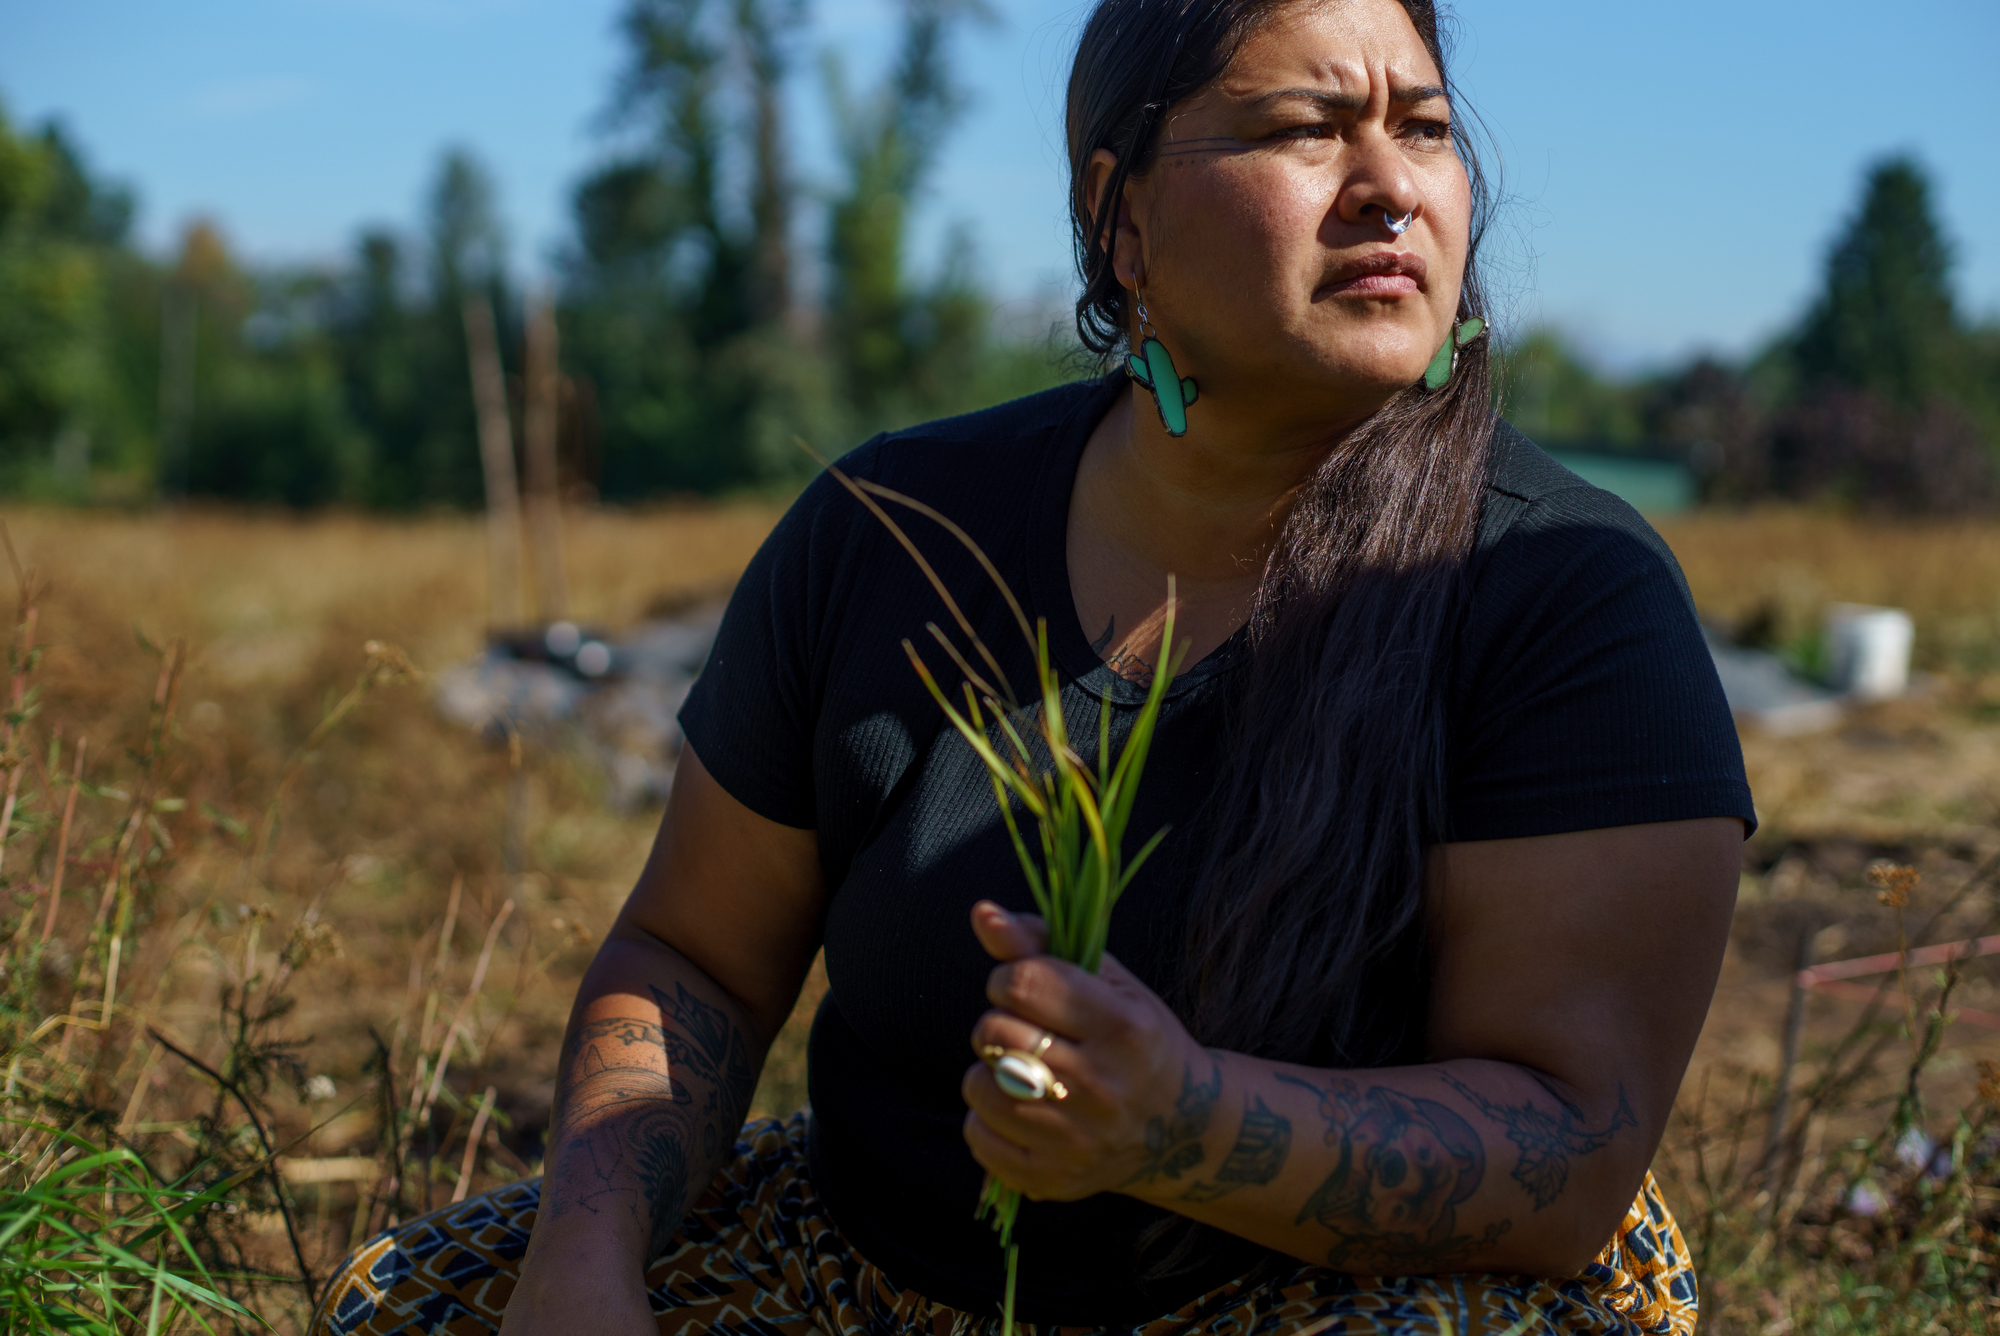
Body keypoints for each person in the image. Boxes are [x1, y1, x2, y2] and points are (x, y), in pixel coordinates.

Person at [313, 0, 1752, 1330]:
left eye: (1425, 127)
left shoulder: (1558, 591)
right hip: (878, 1272)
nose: (1392, 183)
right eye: (1307, 128)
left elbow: (1567, 1153)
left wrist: (1181, 1124)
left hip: (1352, 1292)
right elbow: (692, 955)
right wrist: (586, 1257)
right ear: (1118, 221)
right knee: (418, 1305)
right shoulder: (894, 535)